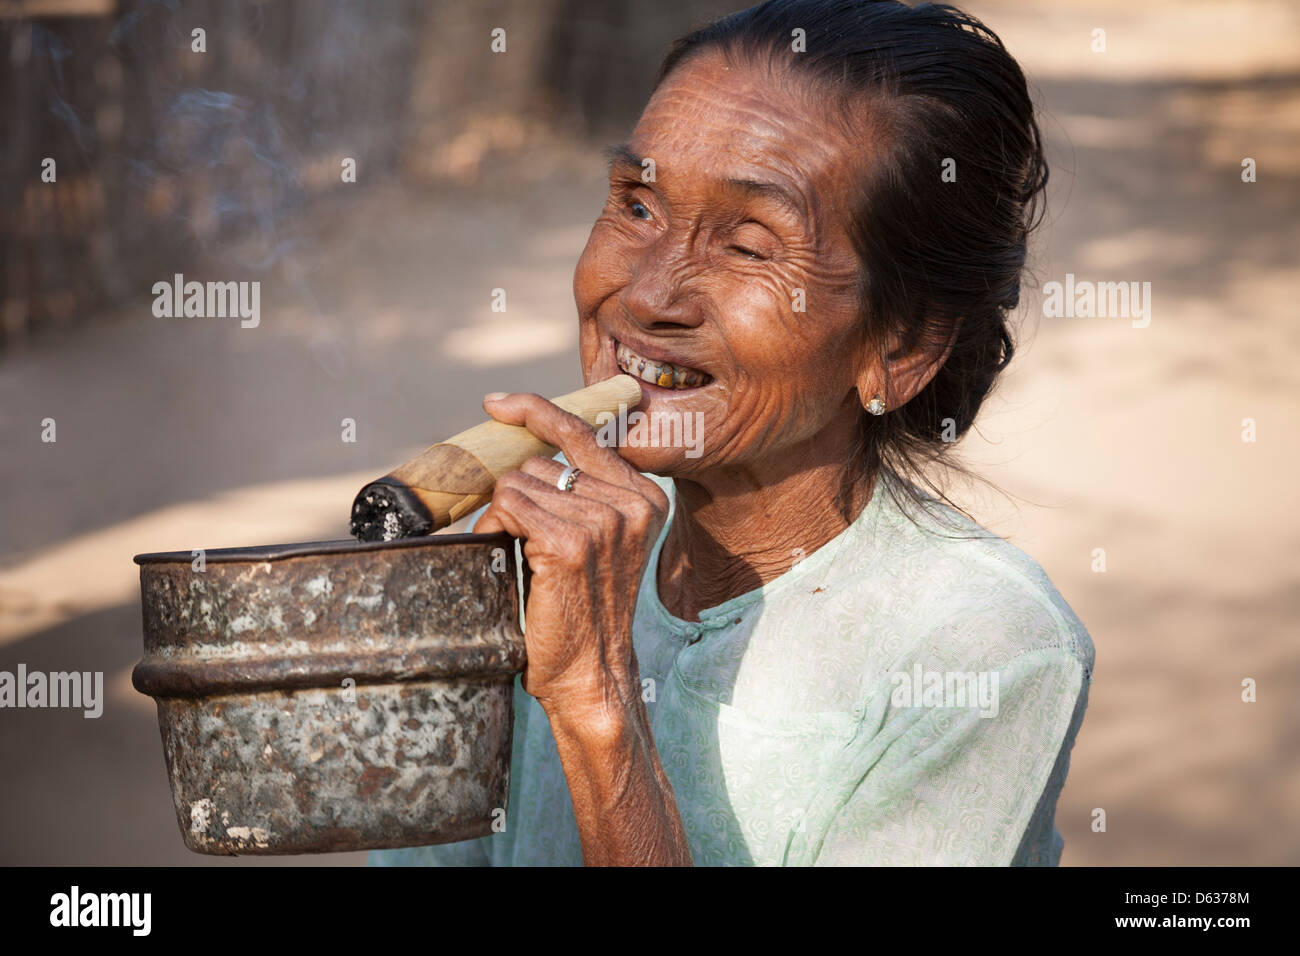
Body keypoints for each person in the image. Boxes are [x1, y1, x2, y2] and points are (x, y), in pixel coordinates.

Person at [371, 0, 1093, 866]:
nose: (647, 297)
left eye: (750, 246)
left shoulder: (982, 647)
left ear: (899, 348)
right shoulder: (544, 562)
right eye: (638, 207)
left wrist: (595, 703)